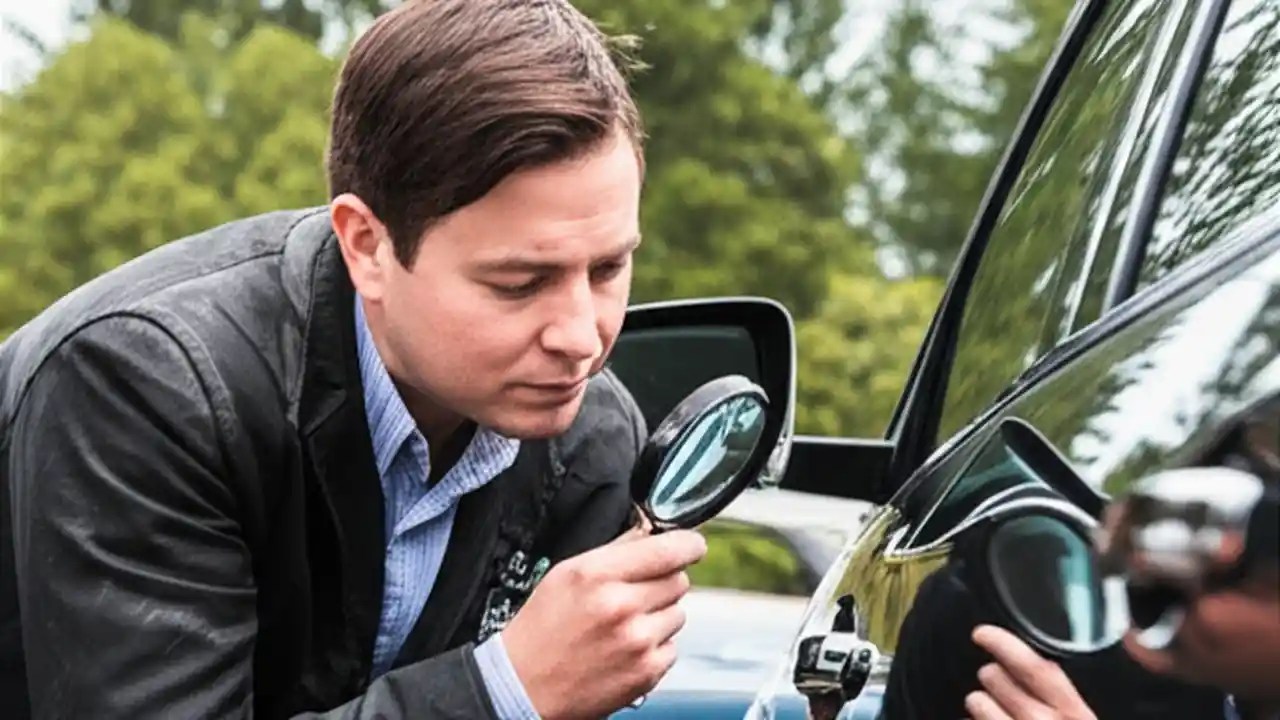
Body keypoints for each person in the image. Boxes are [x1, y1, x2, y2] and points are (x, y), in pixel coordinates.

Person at [0, 1, 708, 718]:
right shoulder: (146, 388)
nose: (582, 339)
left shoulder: (588, 437)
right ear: (366, 245)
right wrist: (502, 692)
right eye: (519, 284)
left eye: (608, 269)